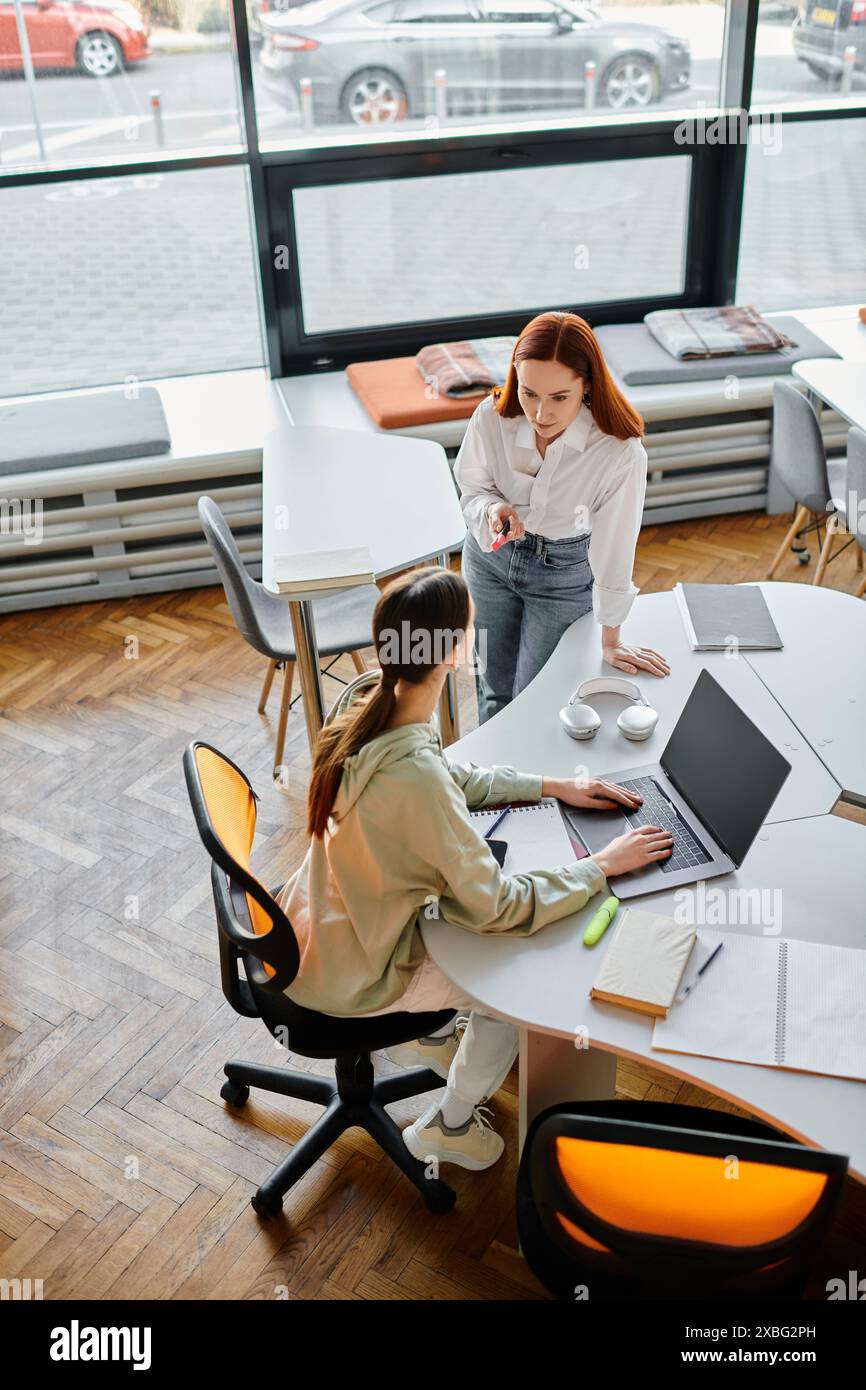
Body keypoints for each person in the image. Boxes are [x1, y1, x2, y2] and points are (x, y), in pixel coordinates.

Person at [277, 567, 673, 1171]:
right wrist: (601, 866)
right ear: (455, 651)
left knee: (478, 923)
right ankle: (449, 1125)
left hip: (318, 926)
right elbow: (498, 908)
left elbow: (449, 775)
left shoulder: (370, 699)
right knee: (516, 976)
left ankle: (432, 1037)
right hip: (352, 972)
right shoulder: (414, 777)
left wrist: (551, 786)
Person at [455, 310, 670, 724]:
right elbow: (472, 488)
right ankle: (498, 787)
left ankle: (539, 788)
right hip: (489, 560)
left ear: (587, 386)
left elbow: (615, 548)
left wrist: (612, 639)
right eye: (529, 392)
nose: (539, 413)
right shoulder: (491, 415)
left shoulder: (619, 452)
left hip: (563, 576)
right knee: (494, 691)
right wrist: (492, 509)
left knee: (537, 700)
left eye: (559, 398)